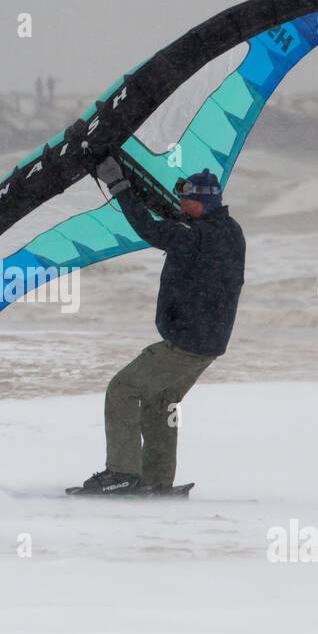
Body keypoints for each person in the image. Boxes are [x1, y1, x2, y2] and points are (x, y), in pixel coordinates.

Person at [76, 159, 246, 494]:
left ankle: (122, 472)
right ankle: (156, 480)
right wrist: (130, 180)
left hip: (188, 342)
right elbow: (171, 218)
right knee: (160, 401)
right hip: (208, 342)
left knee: (123, 389)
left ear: (204, 202)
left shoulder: (197, 237)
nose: (182, 205)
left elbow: (150, 229)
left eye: (188, 200)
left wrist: (120, 188)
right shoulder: (226, 229)